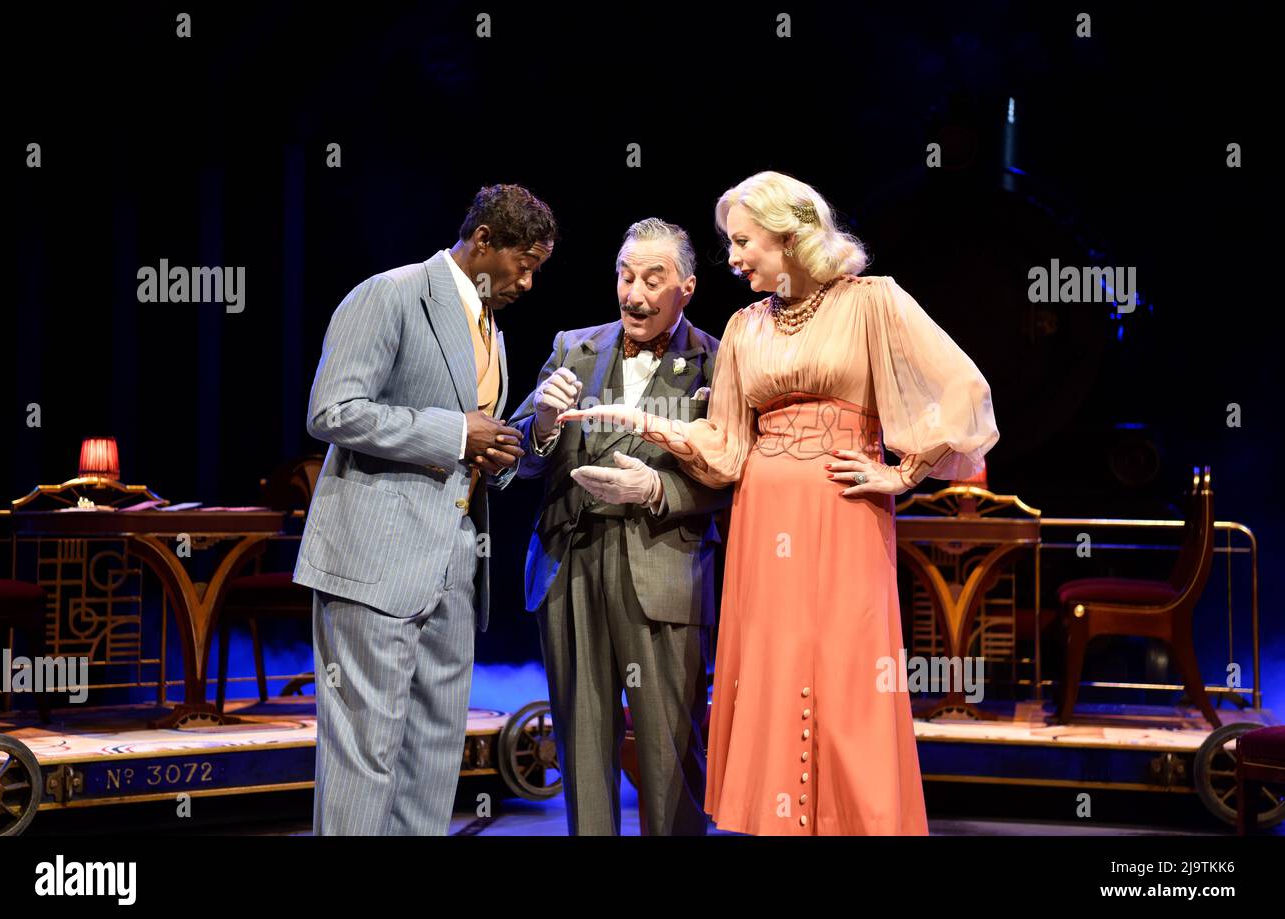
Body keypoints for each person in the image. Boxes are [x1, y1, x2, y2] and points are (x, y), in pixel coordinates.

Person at [558, 171, 999, 835]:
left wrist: (907, 470)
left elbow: (964, 388)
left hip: (843, 513)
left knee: (847, 679)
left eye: (742, 241)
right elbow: (729, 447)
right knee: (774, 671)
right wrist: (647, 422)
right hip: (764, 521)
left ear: (789, 235)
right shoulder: (742, 327)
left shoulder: (871, 302)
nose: (731, 257)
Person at [294, 184, 555, 834]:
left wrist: (507, 447)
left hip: (456, 565)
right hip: (374, 559)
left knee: (435, 754)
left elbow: (473, 446)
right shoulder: (391, 293)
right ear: (485, 242)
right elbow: (332, 410)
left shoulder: (493, 331)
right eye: (524, 262)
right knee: (366, 751)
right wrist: (455, 434)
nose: (528, 280)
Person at [507, 218, 730, 834]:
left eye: (652, 280)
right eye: (625, 276)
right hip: (570, 564)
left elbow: (736, 476)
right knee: (582, 747)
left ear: (686, 287)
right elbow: (520, 458)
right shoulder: (570, 347)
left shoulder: (718, 362)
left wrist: (660, 488)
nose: (634, 293)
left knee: (668, 748)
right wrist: (544, 425)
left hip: (660, 565)